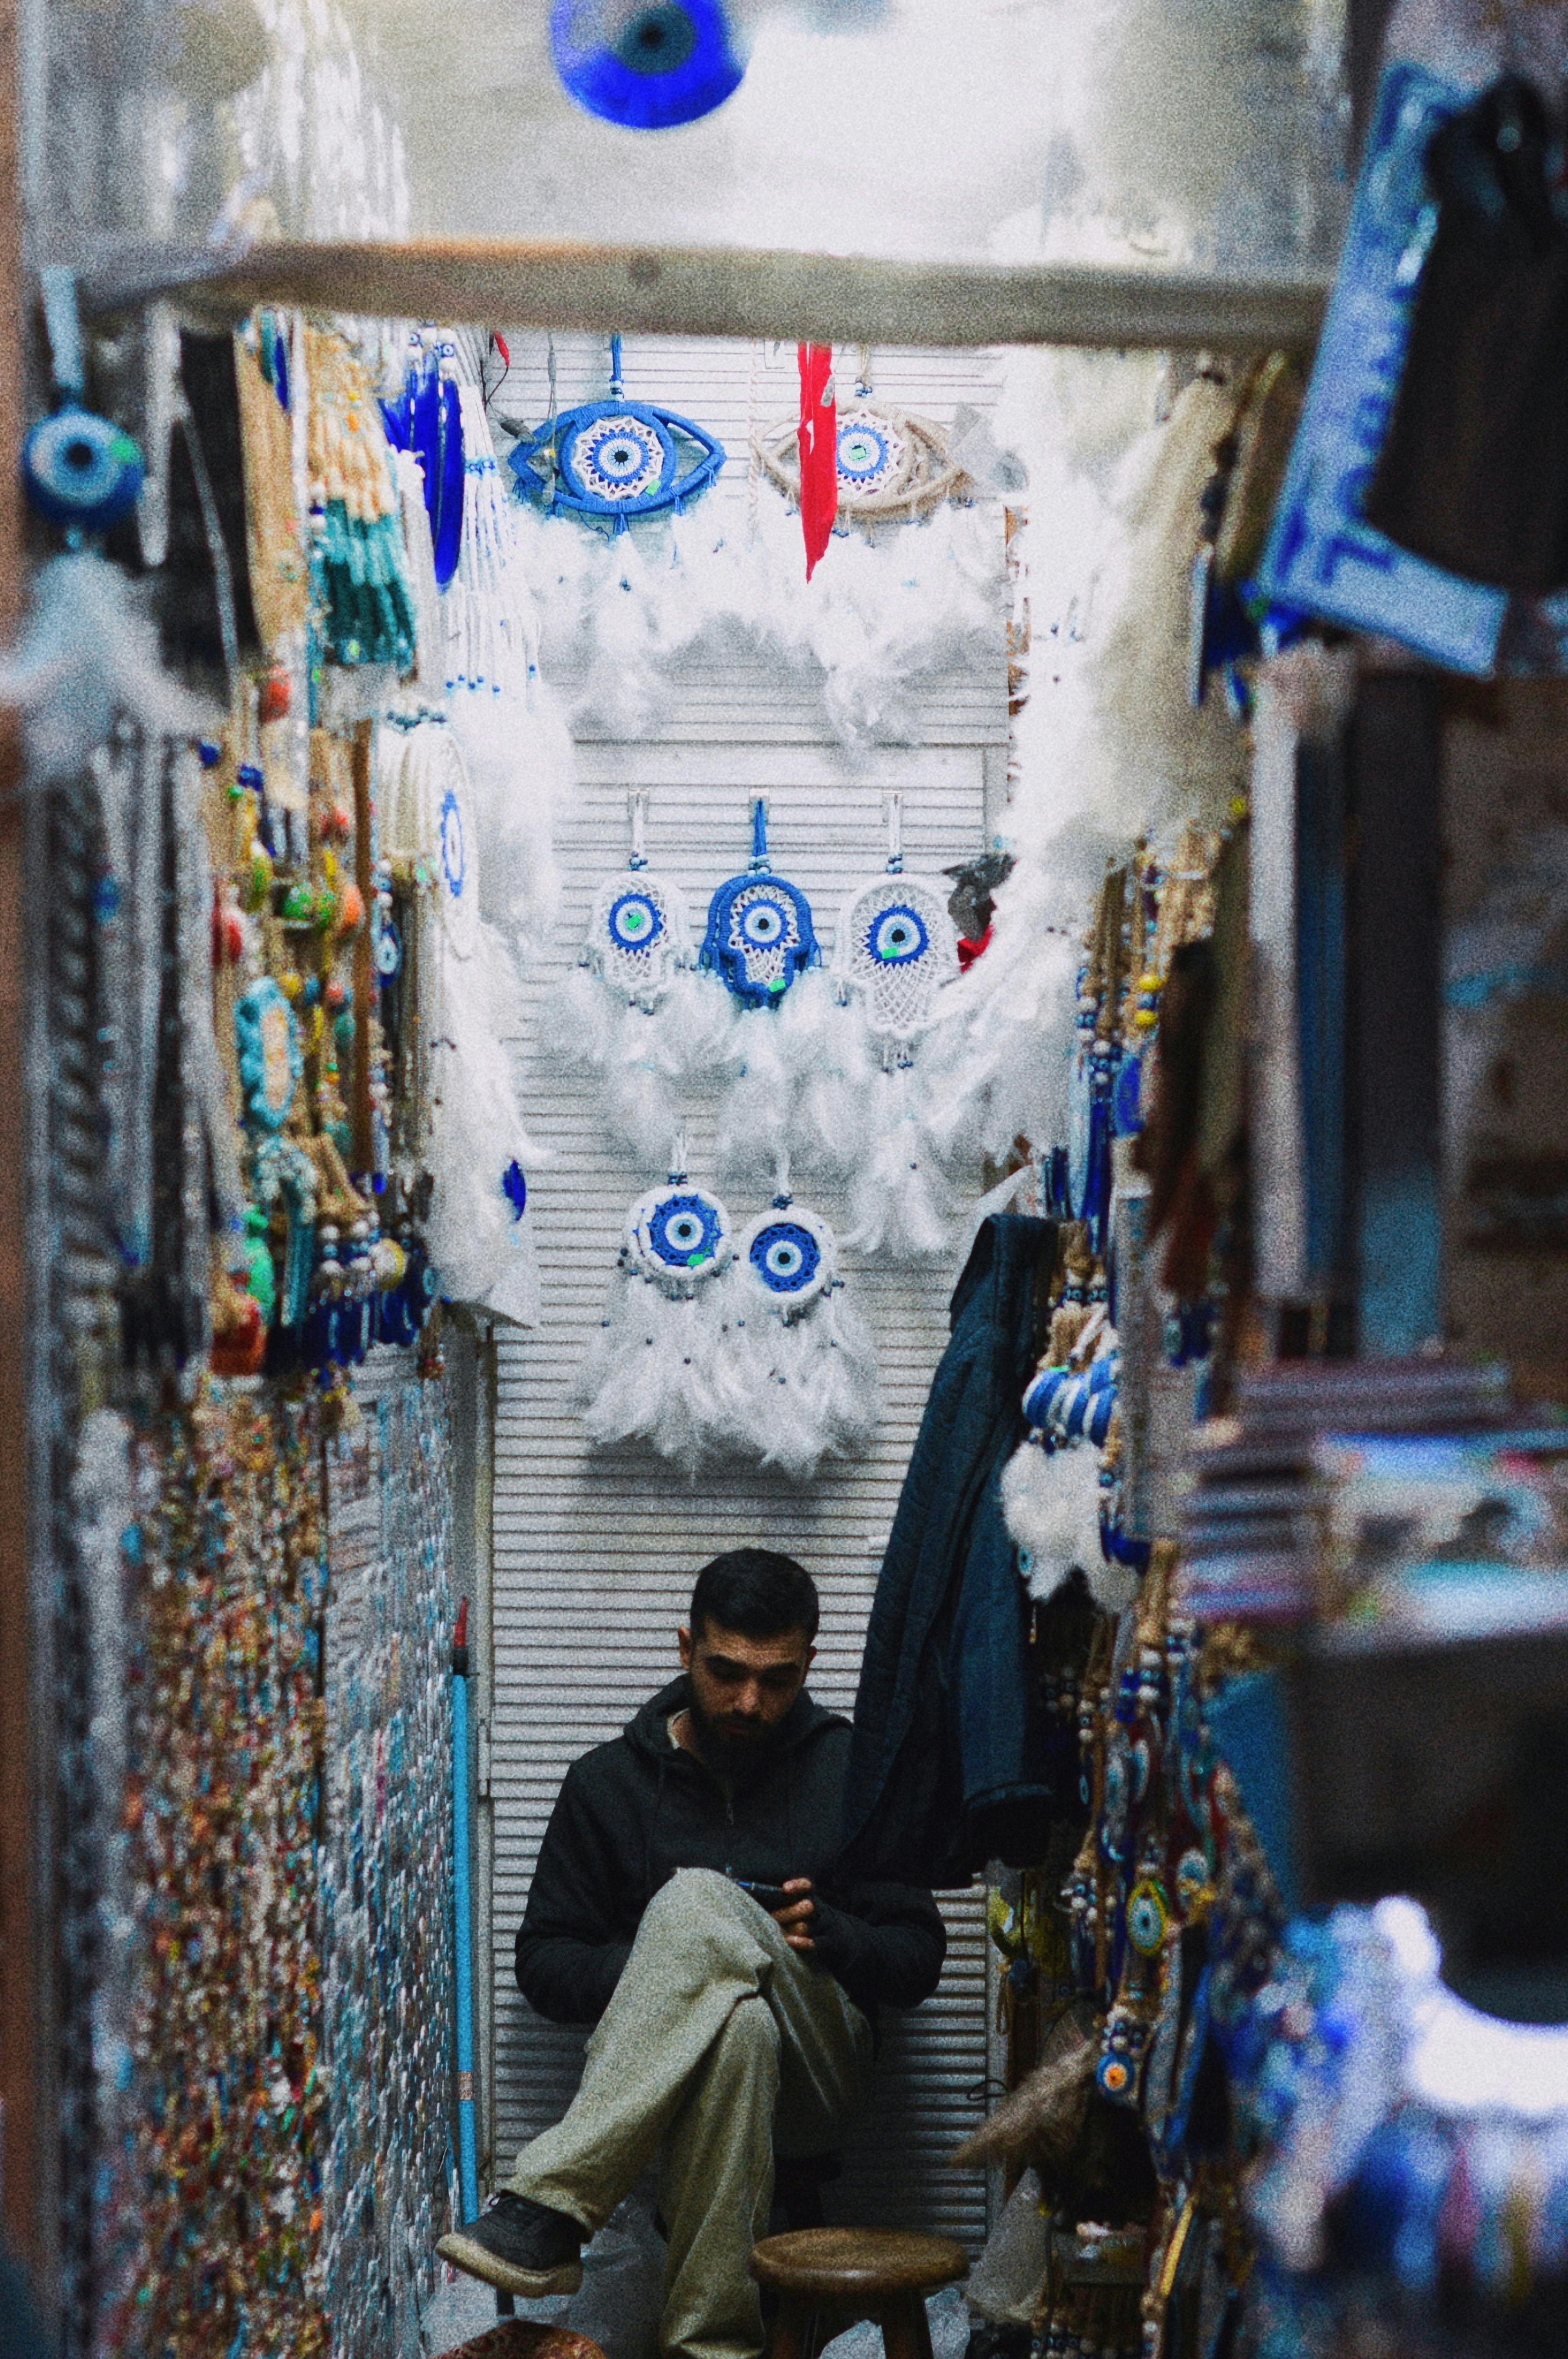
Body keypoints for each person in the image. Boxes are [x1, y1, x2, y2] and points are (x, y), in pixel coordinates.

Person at [437, 1547, 947, 2359]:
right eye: (725, 1670)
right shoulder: (605, 1783)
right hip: (684, 2091)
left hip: (819, 2076)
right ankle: (712, 2348)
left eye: (776, 1678)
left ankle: (550, 2204)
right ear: (685, 1648)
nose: (749, 1699)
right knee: (732, 2016)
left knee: (692, 1902)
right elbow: (542, 1962)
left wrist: (833, 1931)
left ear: (808, 1663)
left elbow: (920, 1956)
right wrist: (671, 1960)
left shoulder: (849, 1771)